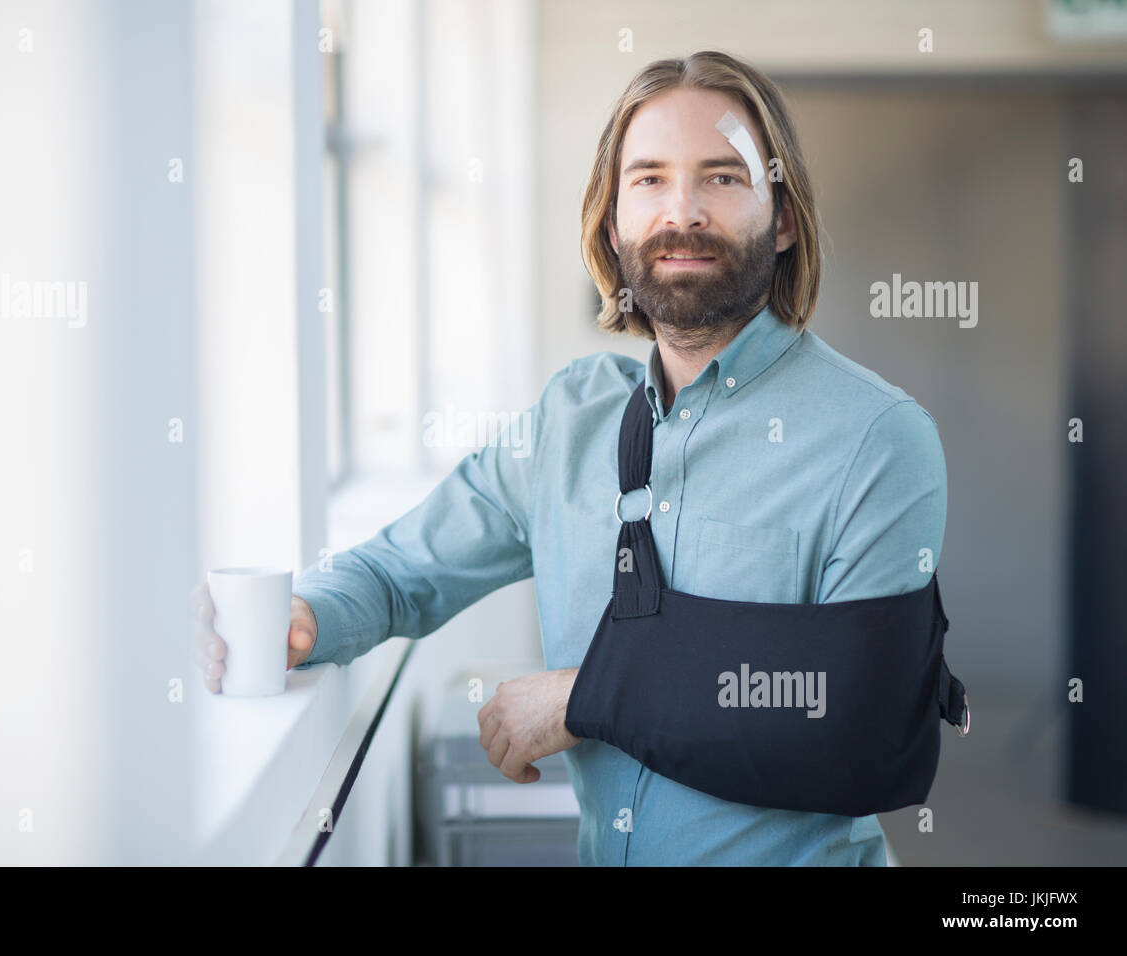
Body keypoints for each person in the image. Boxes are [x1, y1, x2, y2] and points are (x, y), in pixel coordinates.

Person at [191, 50, 946, 866]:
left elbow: (862, 724)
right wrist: (308, 616)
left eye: (724, 178)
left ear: (785, 217)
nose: (682, 210)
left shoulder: (876, 435)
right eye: (649, 179)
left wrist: (588, 697)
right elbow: (402, 568)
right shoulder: (570, 424)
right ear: (613, 220)